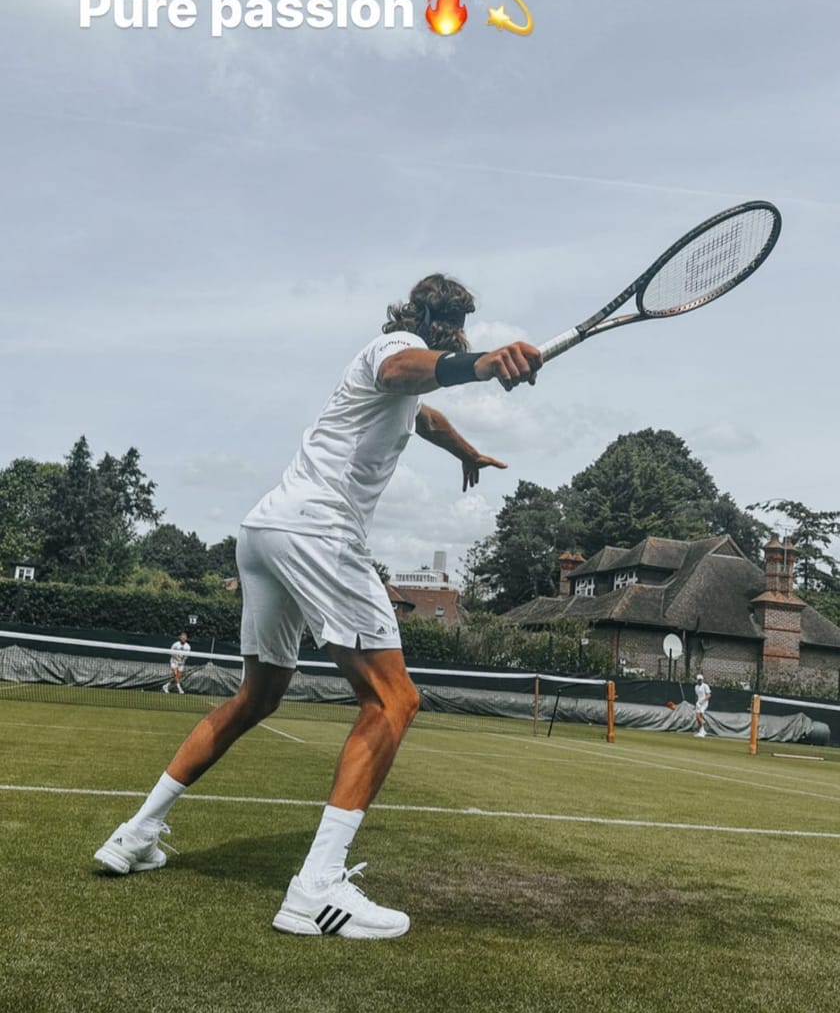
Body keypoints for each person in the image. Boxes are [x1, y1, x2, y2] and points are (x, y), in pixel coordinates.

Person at [94, 274, 543, 938]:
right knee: (395, 700)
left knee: (258, 697)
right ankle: (317, 889)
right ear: (442, 325)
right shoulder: (393, 349)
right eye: (459, 327)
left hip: (265, 533)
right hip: (320, 533)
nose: (462, 335)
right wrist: (481, 364)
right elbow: (407, 370)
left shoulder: (393, 387)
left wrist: (465, 451)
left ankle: (135, 832)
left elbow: (423, 413)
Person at [694, 672, 711, 737]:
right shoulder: (696, 687)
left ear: (702, 680)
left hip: (704, 703)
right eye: (698, 680)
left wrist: (702, 701)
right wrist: (697, 702)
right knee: (697, 717)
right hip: (698, 703)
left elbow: (709, 695)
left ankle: (703, 724)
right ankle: (702, 731)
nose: (699, 681)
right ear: (697, 680)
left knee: (700, 715)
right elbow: (697, 696)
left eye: (700, 680)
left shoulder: (705, 686)